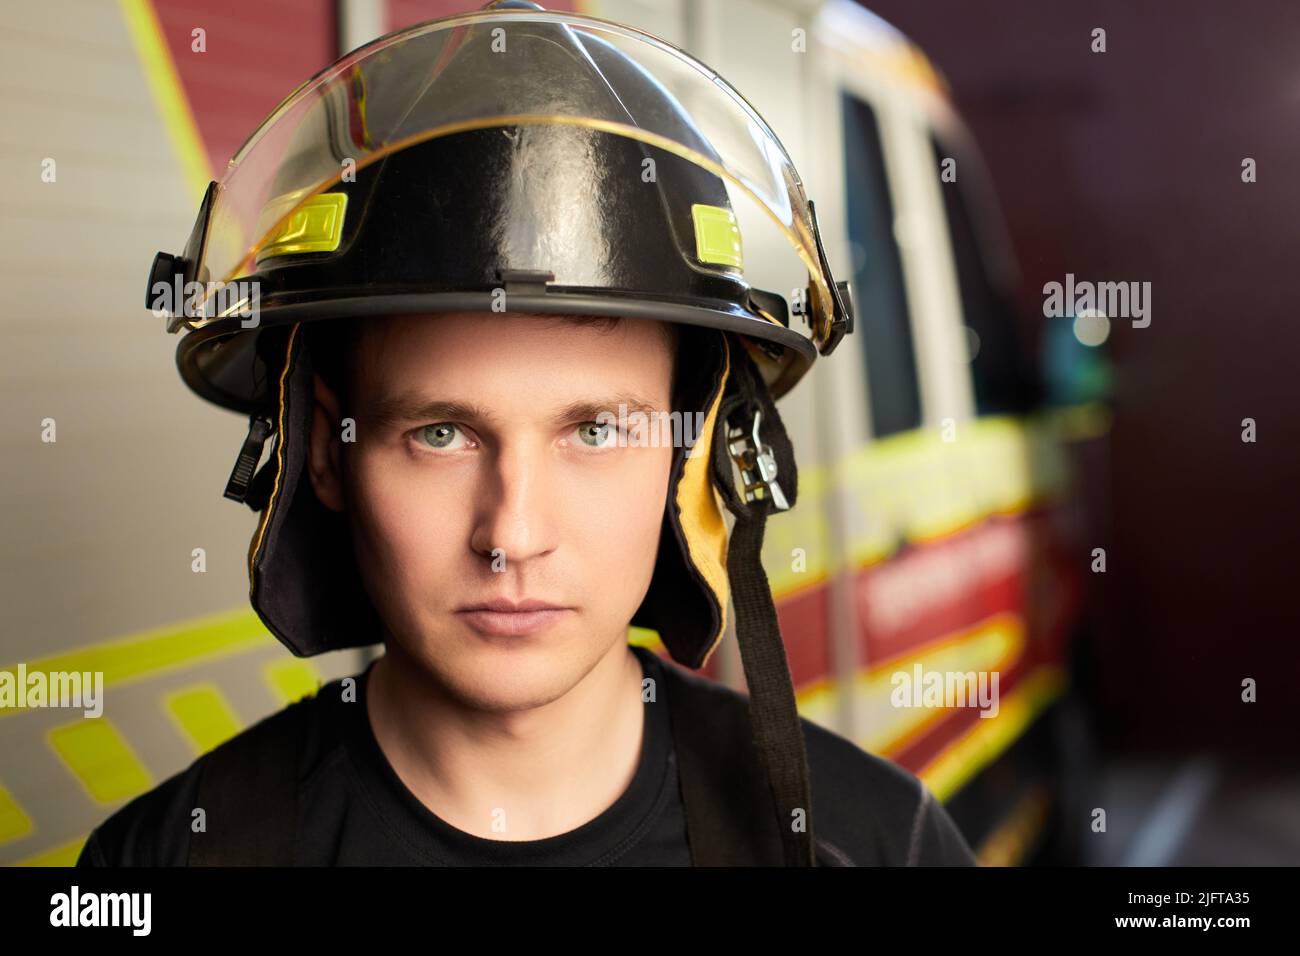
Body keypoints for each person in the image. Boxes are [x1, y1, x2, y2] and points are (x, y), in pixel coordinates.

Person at [79, 1, 975, 867]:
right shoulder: (162, 860)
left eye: (593, 432)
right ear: (324, 452)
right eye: (440, 434)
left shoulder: (879, 843)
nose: (512, 535)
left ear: (692, 451)